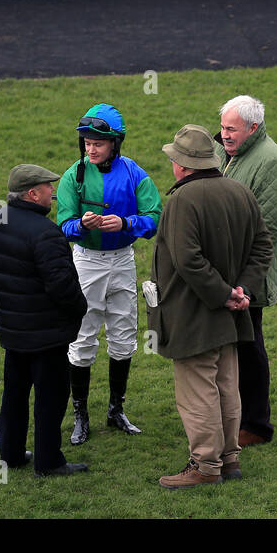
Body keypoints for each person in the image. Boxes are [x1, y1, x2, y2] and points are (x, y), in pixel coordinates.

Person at [149, 125, 274, 489]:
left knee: (198, 391)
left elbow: (188, 260)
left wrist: (223, 293)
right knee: (226, 385)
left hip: (193, 315)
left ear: (183, 165)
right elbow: (263, 246)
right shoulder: (240, 192)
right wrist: (241, 289)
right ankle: (229, 459)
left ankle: (205, 466)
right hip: (231, 313)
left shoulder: (182, 201)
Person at [56, 104, 161, 447]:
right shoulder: (74, 175)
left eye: (98, 143)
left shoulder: (134, 173)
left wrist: (127, 223)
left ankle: (116, 410)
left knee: (124, 332)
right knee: (83, 337)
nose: (90, 148)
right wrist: (81, 225)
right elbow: (63, 223)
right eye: (87, 142)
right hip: (87, 262)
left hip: (122, 259)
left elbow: (155, 215)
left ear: (115, 142)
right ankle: (80, 416)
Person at [0, 164, 90, 476]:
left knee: (14, 395)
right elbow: (61, 285)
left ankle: (12, 453)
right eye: (47, 188)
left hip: (14, 331)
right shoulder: (45, 233)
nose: (53, 193)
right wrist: (80, 308)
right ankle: (48, 461)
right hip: (47, 335)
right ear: (32, 194)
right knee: (50, 399)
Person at [214, 95, 277, 448]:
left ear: (254, 128)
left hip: (248, 274)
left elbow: (269, 228)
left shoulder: (270, 161)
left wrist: (243, 280)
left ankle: (257, 425)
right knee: (236, 343)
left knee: (248, 344)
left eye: (232, 129)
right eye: (223, 127)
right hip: (230, 269)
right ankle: (237, 415)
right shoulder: (231, 153)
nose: (224, 135)